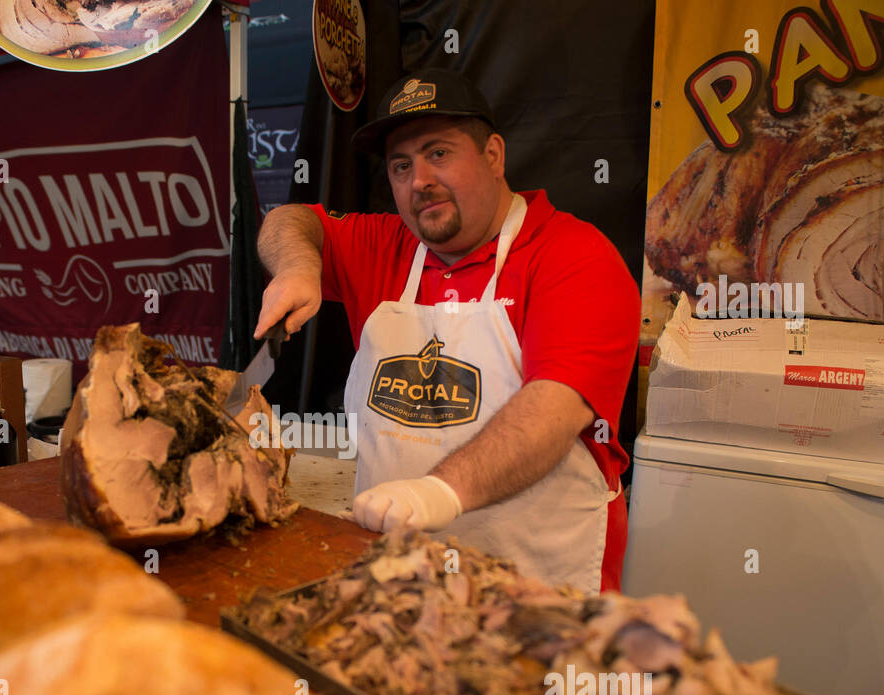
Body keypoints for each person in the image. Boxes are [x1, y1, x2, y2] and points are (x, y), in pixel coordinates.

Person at [254, 69, 640, 592]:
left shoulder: (573, 256)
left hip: (542, 602)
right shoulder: (384, 246)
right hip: (397, 586)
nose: (420, 180)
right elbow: (289, 220)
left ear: (494, 155)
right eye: (400, 165)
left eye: (439, 153)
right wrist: (298, 268)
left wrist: (436, 493)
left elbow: (554, 409)